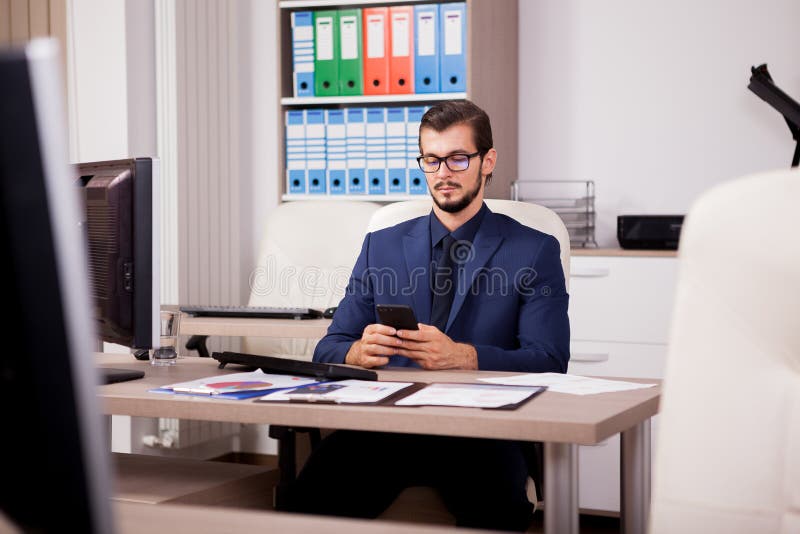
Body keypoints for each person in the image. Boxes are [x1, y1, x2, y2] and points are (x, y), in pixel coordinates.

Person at [285, 100, 570, 531]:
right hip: (386, 427)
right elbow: (331, 345)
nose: (443, 173)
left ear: (486, 161)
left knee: (494, 510)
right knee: (304, 505)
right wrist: (359, 352)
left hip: (481, 434)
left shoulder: (534, 249)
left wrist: (464, 357)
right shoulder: (381, 245)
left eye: (458, 158)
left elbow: (550, 359)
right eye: (432, 160)